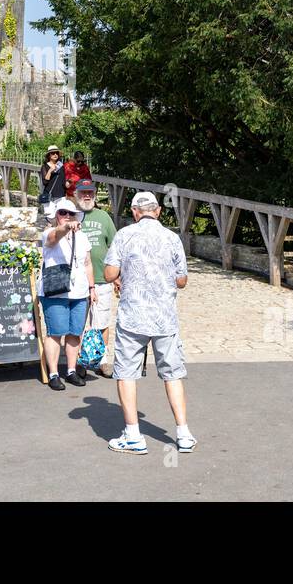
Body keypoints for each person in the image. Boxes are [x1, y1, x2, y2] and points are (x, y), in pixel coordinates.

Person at [102, 191, 195, 455]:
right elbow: (182, 280)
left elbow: (109, 273)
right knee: (172, 373)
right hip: (165, 317)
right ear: (157, 211)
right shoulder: (171, 238)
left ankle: (133, 435)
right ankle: (183, 433)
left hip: (133, 316)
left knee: (127, 373)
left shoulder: (124, 235)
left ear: (134, 212)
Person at [38, 198, 96, 390]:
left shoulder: (83, 237)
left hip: (79, 290)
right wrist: (66, 228)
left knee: (74, 332)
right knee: (55, 332)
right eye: (63, 213)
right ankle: (54, 373)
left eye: (71, 213)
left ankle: (71, 370)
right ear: (56, 216)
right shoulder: (49, 233)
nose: (67, 217)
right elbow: (54, 237)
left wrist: (92, 288)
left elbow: (87, 263)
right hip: (56, 290)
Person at [72, 179, 117, 378]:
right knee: (78, 324)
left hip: (102, 278)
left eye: (90, 192)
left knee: (101, 322)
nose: (87, 195)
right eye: (83, 192)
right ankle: (80, 360)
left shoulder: (104, 217)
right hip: (77, 282)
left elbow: (115, 248)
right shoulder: (70, 215)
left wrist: (117, 275)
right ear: (76, 194)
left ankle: (102, 360)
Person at [38, 145, 66, 218]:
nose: (55, 155)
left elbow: (63, 180)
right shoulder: (45, 166)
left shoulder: (61, 166)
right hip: (49, 195)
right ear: (49, 155)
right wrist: (50, 171)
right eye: (53, 153)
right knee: (50, 219)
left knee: (61, 218)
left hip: (61, 196)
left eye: (56, 153)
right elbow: (45, 182)